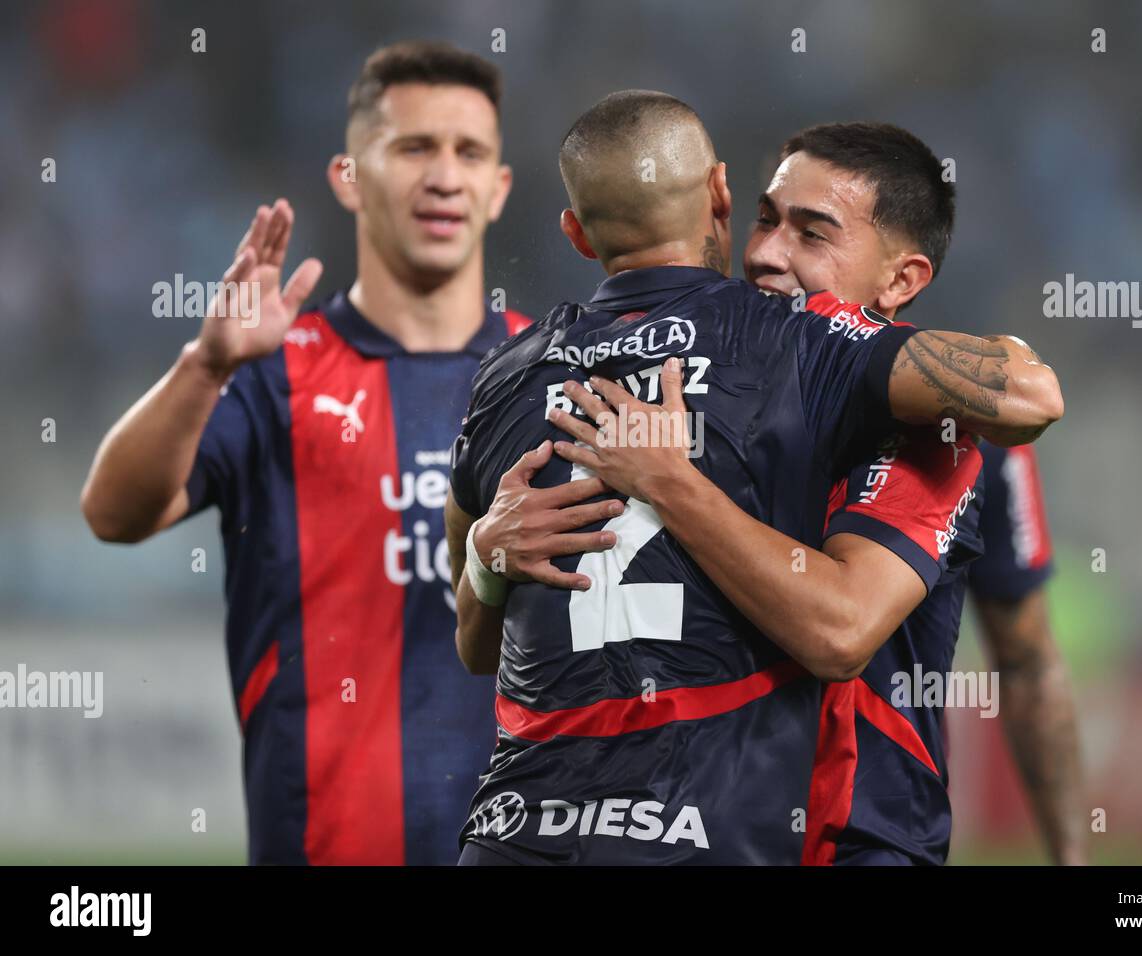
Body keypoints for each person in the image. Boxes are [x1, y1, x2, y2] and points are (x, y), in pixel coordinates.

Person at [447, 92, 1061, 864]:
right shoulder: (769, 351)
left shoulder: (924, 431)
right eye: (767, 220)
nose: (768, 252)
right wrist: (484, 557)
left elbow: (845, 629)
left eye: (812, 232)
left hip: (863, 836)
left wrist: (672, 483)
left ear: (902, 281)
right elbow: (476, 638)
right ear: (722, 199)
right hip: (727, 830)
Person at [80, 40, 528, 865]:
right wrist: (205, 365)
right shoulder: (275, 371)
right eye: (413, 147)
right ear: (348, 177)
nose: (444, 176)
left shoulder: (545, 377)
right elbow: (113, 513)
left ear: (498, 188)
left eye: (469, 153)